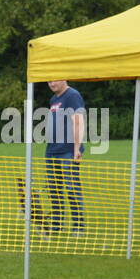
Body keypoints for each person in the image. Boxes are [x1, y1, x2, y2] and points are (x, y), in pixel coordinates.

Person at [44, 79, 86, 236]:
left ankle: (78, 226)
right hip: (52, 151)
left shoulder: (72, 96)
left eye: (55, 79)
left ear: (64, 78)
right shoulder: (53, 100)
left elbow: (78, 121)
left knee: (71, 188)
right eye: (49, 81)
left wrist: (77, 148)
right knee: (54, 189)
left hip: (68, 151)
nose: (51, 83)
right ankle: (57, 224)